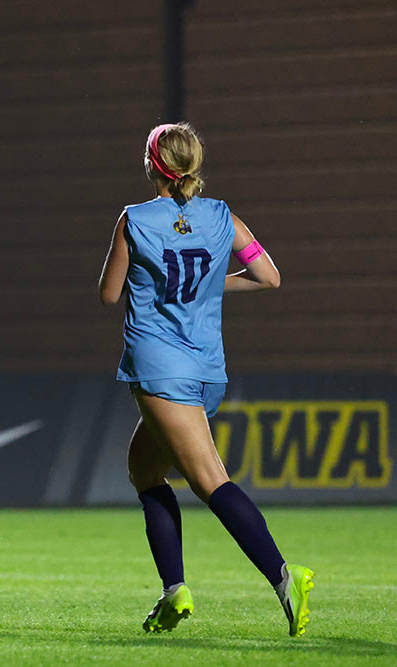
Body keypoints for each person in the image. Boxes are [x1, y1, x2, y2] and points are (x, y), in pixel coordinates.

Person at [98, 123, 314, 637]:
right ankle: (175, 592)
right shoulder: (222, 216)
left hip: (159, 367)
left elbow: (109, 295)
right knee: (144, 472)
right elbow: (269, 277)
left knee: (208, 479)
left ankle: (286, 576)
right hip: (207, 369)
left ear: (153, 165)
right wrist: (209, 285)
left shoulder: (133, 220)